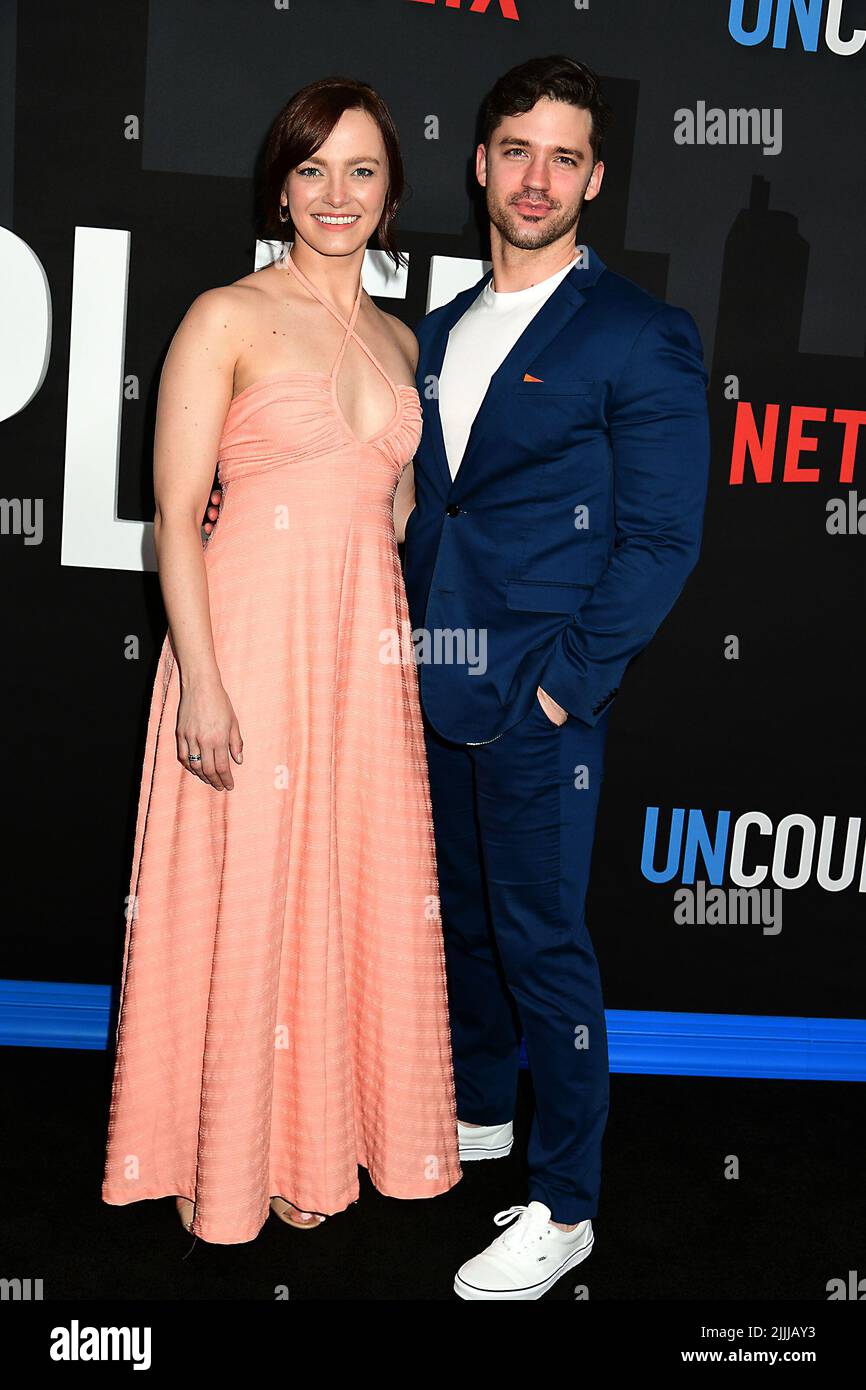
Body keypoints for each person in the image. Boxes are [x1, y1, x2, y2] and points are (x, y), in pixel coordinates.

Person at [101, 77, 461, 1245]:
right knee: (249, 893)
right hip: (246, 652)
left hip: (359, 670)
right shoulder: (226, 316)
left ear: (392, 190)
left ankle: (311, 1151)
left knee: (338, 892)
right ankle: (226, 1164)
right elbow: (172, 514)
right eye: (312, 171)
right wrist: (200, 680)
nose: (336, 194)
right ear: (280, 186)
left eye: (360, 171)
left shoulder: (404, 342)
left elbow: (390, 514)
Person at [404, 55, 710, 1299]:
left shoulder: (640, 333)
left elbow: (662, 539)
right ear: (479, 163)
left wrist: (563, 685)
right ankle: (479, 1115)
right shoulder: (433, 331)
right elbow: (435, 510)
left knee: (540, 942)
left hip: (540, 690)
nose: (536, 178)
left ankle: (565, 1201)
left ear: (593, 176)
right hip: (431, 675)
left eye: (563, 156)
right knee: (463, 925)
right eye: (514, 150)